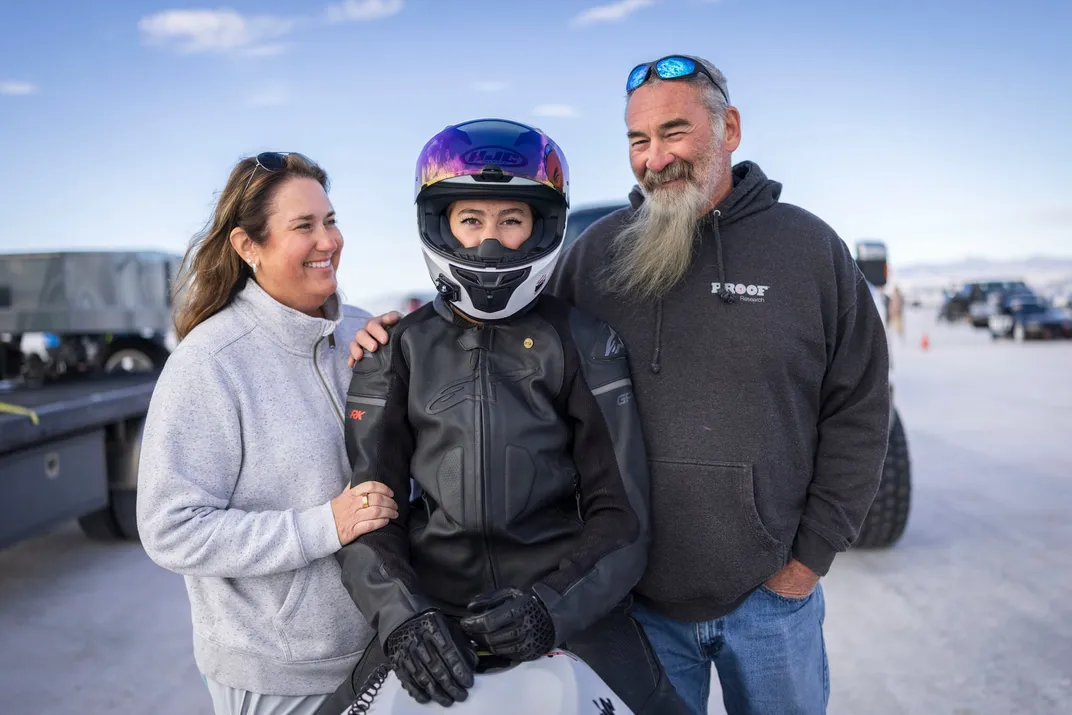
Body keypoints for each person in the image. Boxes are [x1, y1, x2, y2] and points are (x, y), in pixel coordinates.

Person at [350, 56, 892, 715]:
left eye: (675, 132)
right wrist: (390, 340)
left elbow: (860, 408)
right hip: (637, 604)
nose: (656, 157)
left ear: (730, 128)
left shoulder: (809, 251)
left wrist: (808, 560)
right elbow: (504, 339)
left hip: (769, 599)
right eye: (639, 140)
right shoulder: (596, 254)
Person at [314, 119, 689, 715]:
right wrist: (402, 619)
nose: (490, 241)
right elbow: (368, 513)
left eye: (511, 220)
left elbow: (624, 518)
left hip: (566, 606)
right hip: (433, 614)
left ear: (541, 226)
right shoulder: (395, 350)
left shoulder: (585, 342)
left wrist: (551, 608)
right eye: (471, 219)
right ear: (441, 224)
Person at [136, 152, 399, 715]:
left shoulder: (364, 333)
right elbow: (170, 529)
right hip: (278, 674)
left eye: (330, 220)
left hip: (386, 647)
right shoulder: (211, 363)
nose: (328, 241)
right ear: (247, 245)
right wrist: (324, 525)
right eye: (304, 226)